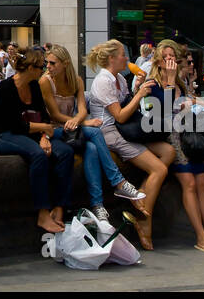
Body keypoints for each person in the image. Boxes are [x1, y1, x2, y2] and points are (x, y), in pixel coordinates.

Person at [84, 39, 173, 250]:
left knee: (168, 151)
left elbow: (128, 107)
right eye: (123, 54)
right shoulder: (103, 80)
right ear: (112, 58)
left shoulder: (121, 80)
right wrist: (141, 94)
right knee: (159, 168)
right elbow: (121, 116)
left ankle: (141, 195)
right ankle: (144, 221)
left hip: (123, 129)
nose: (127, 59)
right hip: (109, 132)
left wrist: (137, 88)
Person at [42, 44, 145, 221]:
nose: (48, 67)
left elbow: (82, 109)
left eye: (52, 63)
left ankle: (98, 206)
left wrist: (78, 120)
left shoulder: (76, 80)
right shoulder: (45, 81)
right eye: (47, 63)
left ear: (65, 63)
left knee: (92, 149)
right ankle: (118, 182)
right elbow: (54, 114)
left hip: (72, 128)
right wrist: (78, 121)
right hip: (54, 130)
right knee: (96, 133)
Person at [149, 40, 204, 254]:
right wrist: (168, 81)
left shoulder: (180, 81)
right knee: (190, 184)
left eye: (173, 56)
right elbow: (162, 112)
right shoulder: (153, 83)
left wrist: (202, 105)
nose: (170, 60)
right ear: (158, 59)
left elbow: (189, 100)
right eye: (166, 56)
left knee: (201, 182)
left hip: (188, 135)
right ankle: (201, 236)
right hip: (171, 138)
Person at [0, 48, 74, 234]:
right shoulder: (6, 88)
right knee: (38, 155)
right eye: (40, 67)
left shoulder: (35, 87)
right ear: (30, 68)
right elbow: (14, 124)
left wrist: (45, 136)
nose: (43, 71)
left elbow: (44, 118)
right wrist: (44, 130)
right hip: (5, 136)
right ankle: (42, 212)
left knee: (65, 152)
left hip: (32, 134)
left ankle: (60, 208)